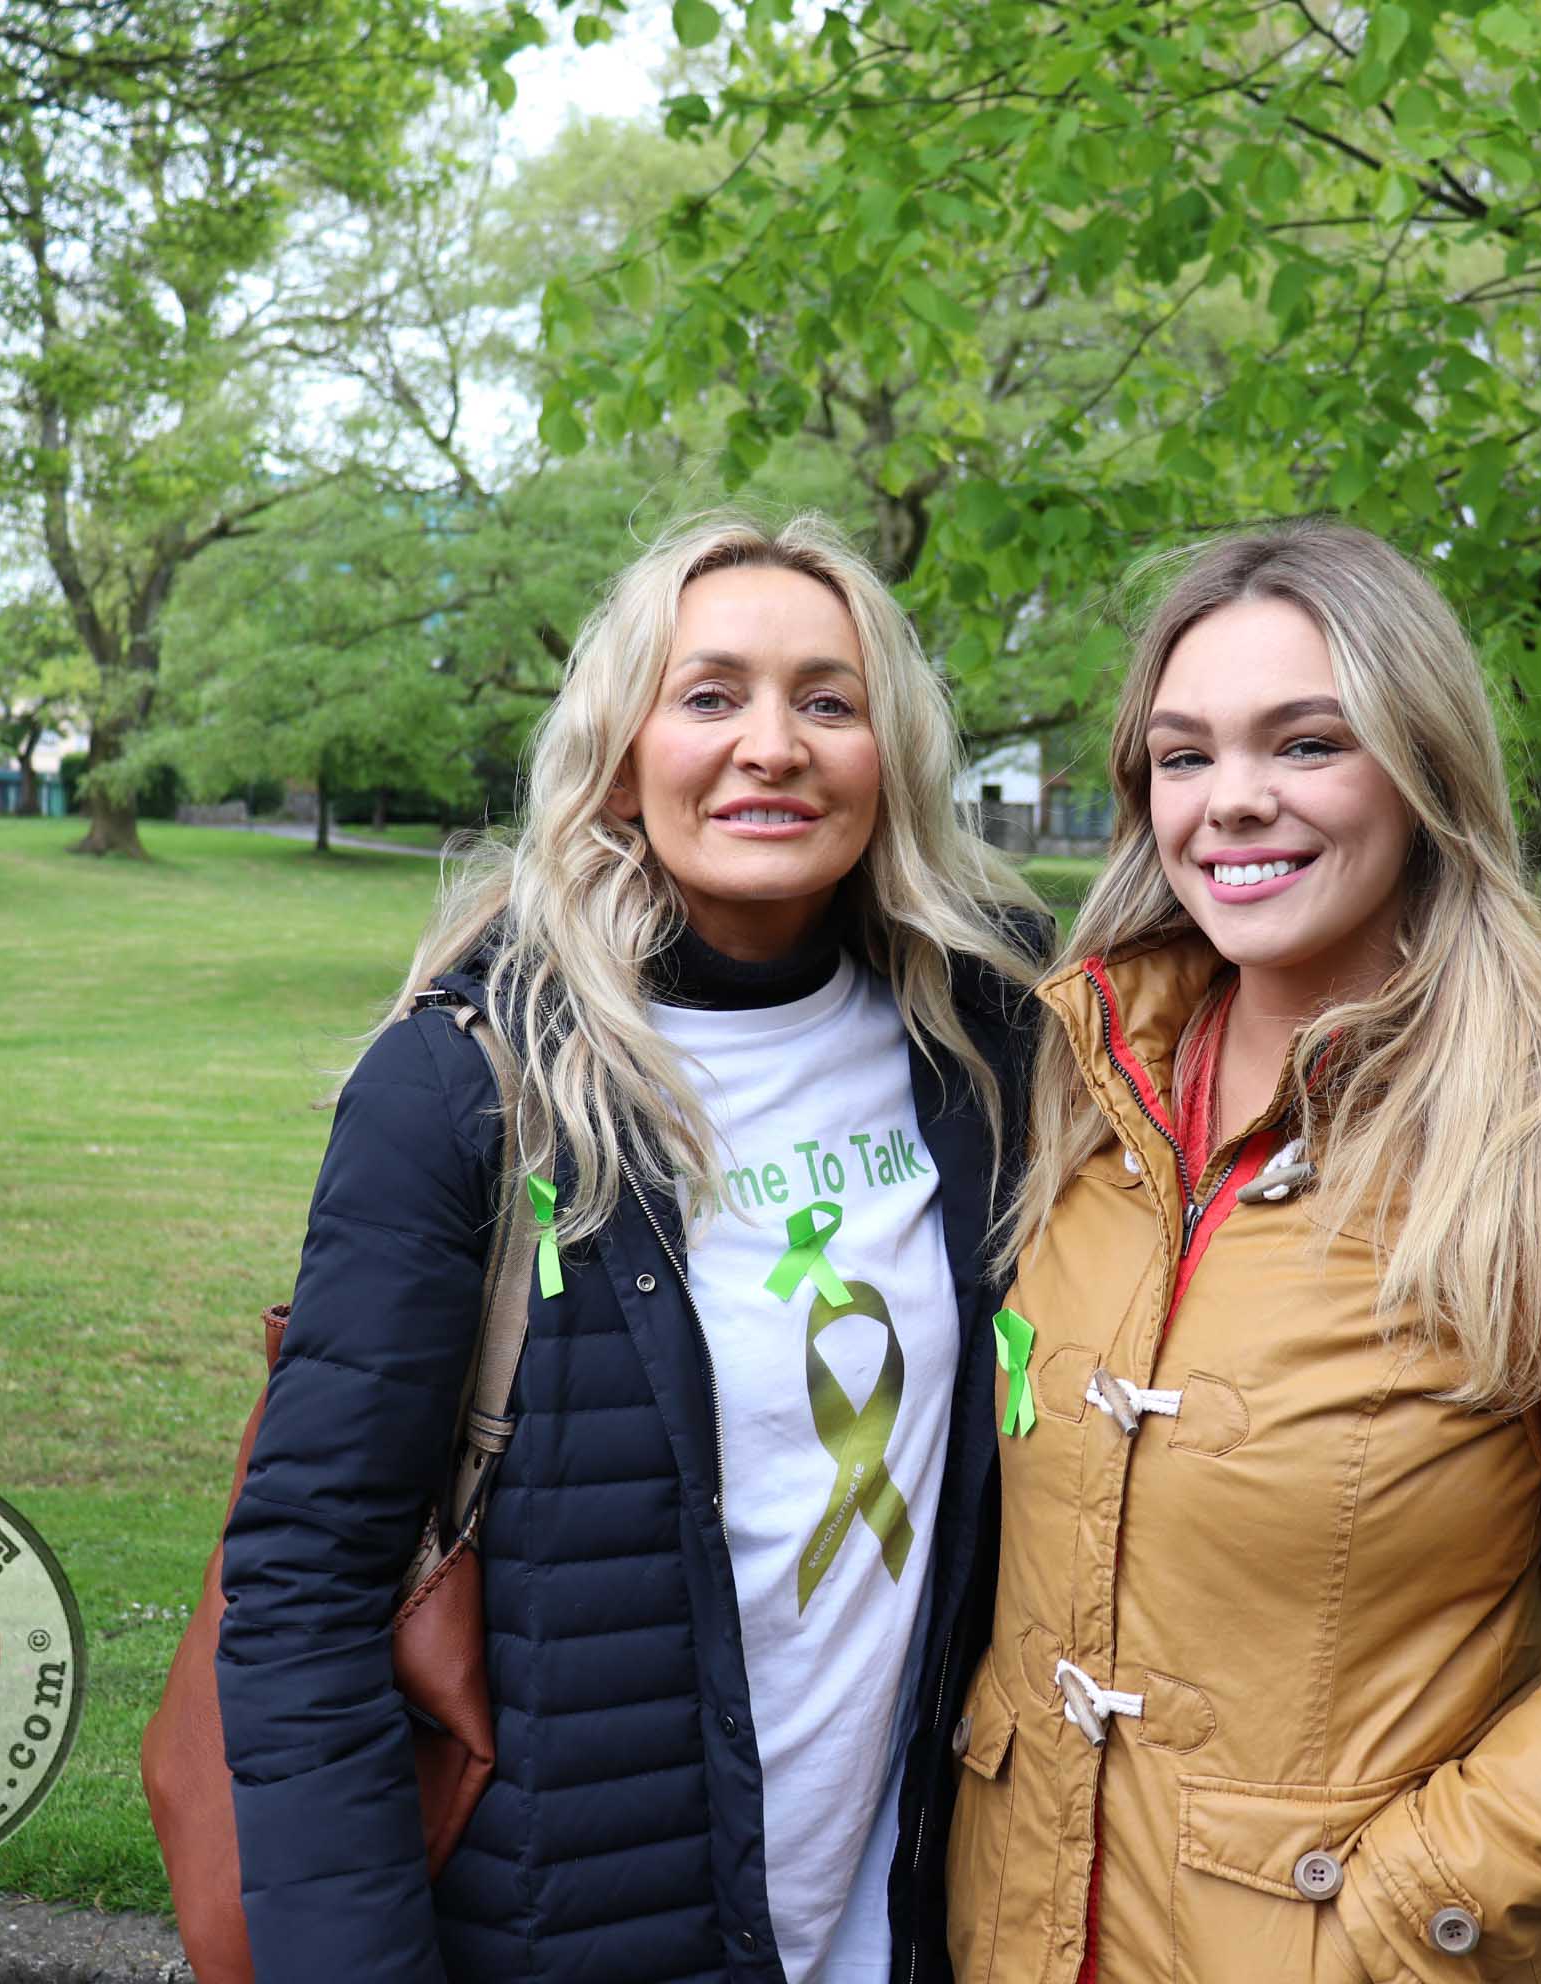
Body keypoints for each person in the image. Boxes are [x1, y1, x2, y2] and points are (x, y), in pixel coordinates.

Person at [944, 520, 1541, 1984]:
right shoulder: (1075, 1095)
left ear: (1423, 768)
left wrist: (1396, 1912)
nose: (1234, 799)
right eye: (1184, 755)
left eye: (1307, 743)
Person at [216, 511, 1050, 1984]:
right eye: (710, 695)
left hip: (896, 1931)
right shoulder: (469, 1087)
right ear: (620, 755)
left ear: (890, 758)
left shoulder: (986, 1047)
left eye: (829, 702)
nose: (772, 746)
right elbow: (304, 1590)